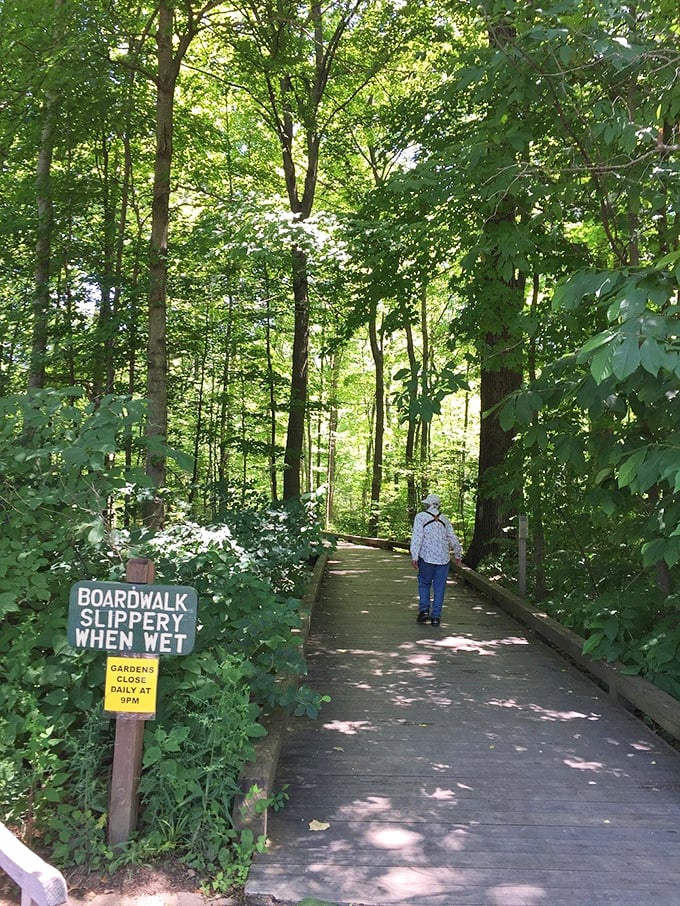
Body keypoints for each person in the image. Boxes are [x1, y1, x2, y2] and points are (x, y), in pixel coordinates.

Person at [410, 493, 462, 627]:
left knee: (424, 583)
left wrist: (414, 556)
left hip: (426, 557)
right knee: (440, 587)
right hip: (443, 559)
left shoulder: (420, 517)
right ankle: (436, 617)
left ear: (427, 505)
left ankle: (424, 611)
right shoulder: (445, 519)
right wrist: (458, 554)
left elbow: (417, 537)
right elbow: (452, 538)